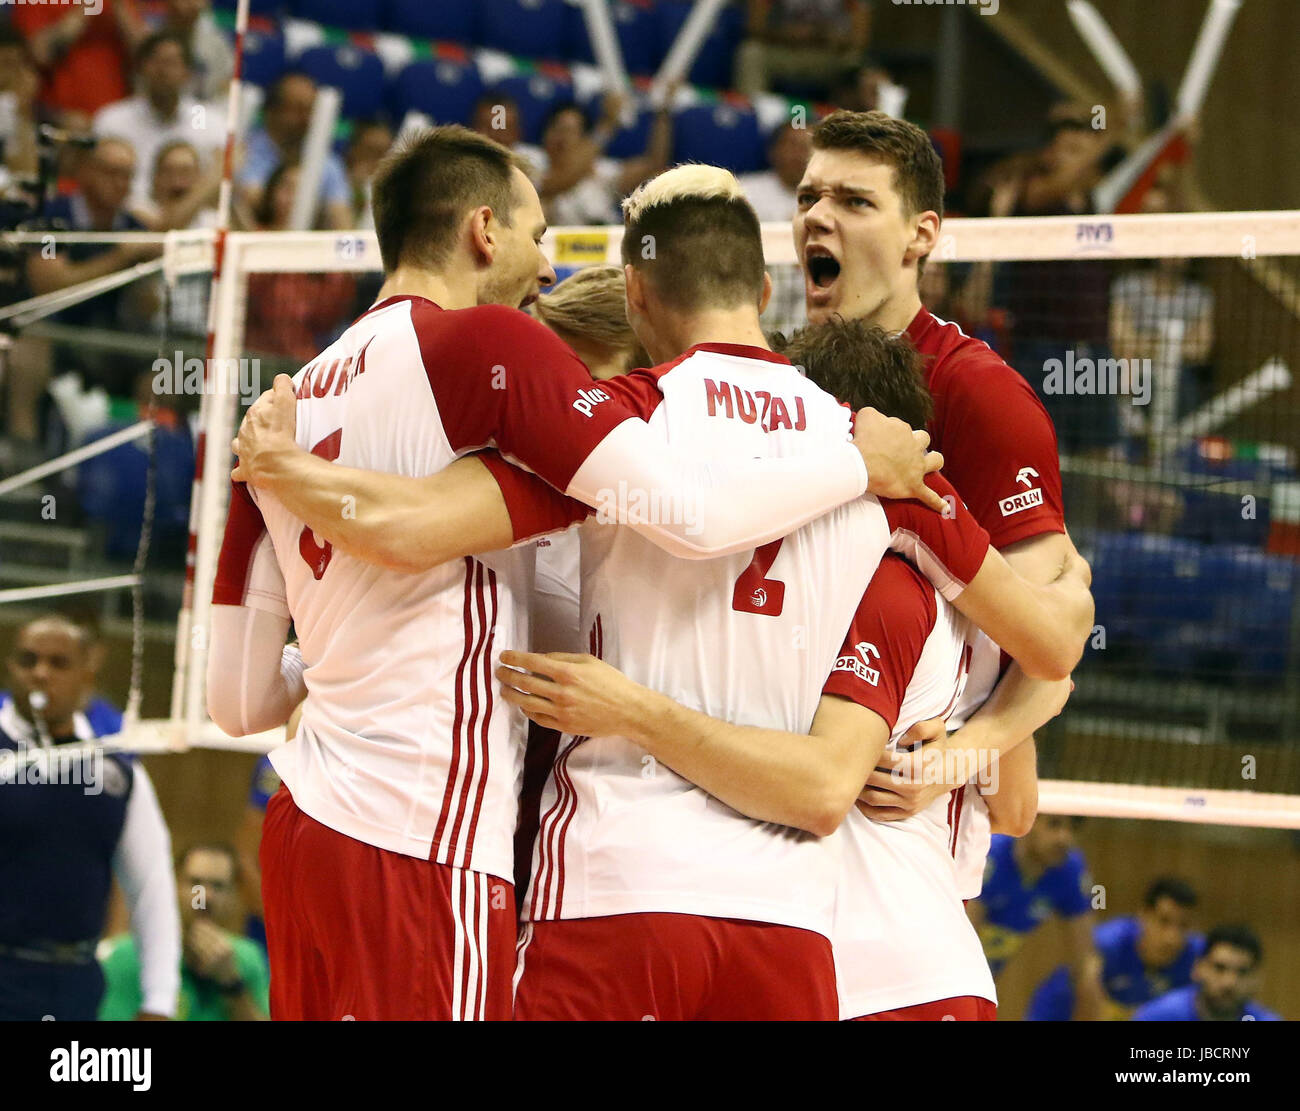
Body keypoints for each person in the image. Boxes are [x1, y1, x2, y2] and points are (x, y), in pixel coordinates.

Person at [211, 128, 940, 1021]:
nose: (547, 267)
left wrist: (333, 639)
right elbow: (696, 514)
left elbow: (236, 701)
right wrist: (858, 464)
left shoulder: (286, 404)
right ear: (484, 230)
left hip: (304, 825)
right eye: (538, 233)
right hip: (430, 834)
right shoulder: (488, 341)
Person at [497, 317, 1084, 1021]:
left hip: (873, 970)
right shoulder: (974, 604)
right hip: (929, 956)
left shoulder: (879, 583)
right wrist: (961, 757)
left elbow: (820, 782)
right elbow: (1018, 801)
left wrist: (631, 710)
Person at [789, 110, 1087, 904]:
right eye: (809, 195)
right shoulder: (778, 375)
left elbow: (1053, 640)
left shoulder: (980, 395)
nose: (818, 216)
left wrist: (963, 752)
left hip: (899, 854)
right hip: (776, 833)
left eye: (854, 202)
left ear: (921, 234)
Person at [0, 614, 179, 1021]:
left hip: (73, 985)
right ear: (11, 667)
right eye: (28, 661)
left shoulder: (118, 771)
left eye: (58, 663)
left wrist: (159, 1001)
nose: (40, 673)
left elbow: (151, 886)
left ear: (86, 674)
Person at [99, 843, 269, 1020]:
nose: (204, 897)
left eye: (218, 886)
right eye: (195, 883)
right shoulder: (126, 957)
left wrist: (232, 985)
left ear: (234, 896)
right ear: (174, 886)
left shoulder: (247, 958)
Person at [970, 816, 1100, 1014]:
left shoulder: (1070, 871)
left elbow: (1086, 965)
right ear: (1030, 820)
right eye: (1054, 824)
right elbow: (959, 944)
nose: (1064, 838)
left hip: (981, 975)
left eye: (1073, 828)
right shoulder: (988, 854)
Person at [1027, 876, 1204, 1021]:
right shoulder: (1107, 945)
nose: (1172, 938)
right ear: (1143, 915)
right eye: (1163, 921)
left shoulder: (1199, 956)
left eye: (1183, 926)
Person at [92, 30, 225, 209]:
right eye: (156, 62)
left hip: (192, 220)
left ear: (187, 73)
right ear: (140, 69)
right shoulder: (112, 120)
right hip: (127, 219)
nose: (163, 71)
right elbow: (98, 185)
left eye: (172, 63)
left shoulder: (206, 119)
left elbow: (221, 194)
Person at [243, 161, 357, 362]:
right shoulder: (251, 241)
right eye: (287, 187)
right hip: (252, 356)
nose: (294, 196)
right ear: (271, 192)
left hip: (302, 362)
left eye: (303, 190)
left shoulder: (323, 254)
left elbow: (328, 317)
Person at [235, 71, 352, 231]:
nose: (306, 118)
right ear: (272, 111)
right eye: (297, 109)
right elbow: (251, 202)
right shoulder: (245, 151)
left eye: (311, 110)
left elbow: (343, 223)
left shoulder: (329, 164)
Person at [533, 96, 674, 227]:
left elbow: (654, 164)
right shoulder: (533, 163)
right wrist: (607, 125)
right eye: (558, 129)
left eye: (570, 132)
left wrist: (663, 112)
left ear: (584, 140)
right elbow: (563, 179)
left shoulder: (600, 169)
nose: (562, 138)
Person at [12, 0, 143, 124]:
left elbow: (145, 56)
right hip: (61, 116)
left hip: (117, 115)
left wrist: (121, 9)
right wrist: (87, 7)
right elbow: (41, 54)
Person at [1132, 925, 1280, 1022]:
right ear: (1198, 968)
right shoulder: (1158, 1017)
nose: (1229, 982)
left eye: (1242, 972)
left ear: (1257, 979)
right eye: (1219, 968)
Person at [734, 0, 871, 101]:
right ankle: (754, 116)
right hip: (785, 51)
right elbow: (754, 27)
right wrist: (787, 34)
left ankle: (844, 124)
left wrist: (823, 35)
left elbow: (859, 40)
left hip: (827, 56)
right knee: (751, 51)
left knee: (853, 61)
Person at [149, 0, 234, 103]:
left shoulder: (216, 43)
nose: (189, 5)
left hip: (204, 111)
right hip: (159, 111)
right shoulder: (151, 39)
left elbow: (226, 87)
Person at [343, 118, 394, 231]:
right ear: (353, 151)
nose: (380, 161)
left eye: (386, 154)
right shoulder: (337, 183)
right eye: (371, 152)